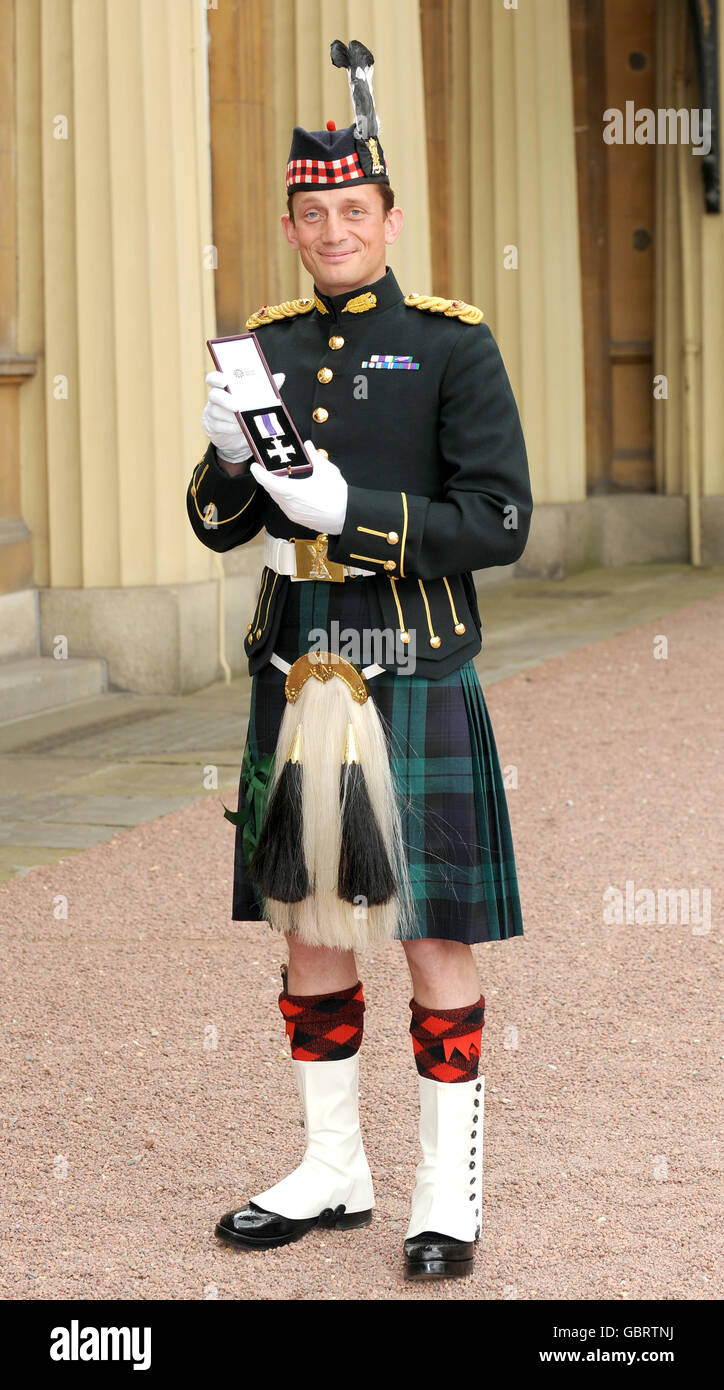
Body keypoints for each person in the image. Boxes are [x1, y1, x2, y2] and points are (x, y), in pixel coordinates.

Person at [187, 38, 532, 1281]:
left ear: (386, 218)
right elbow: (217, 522)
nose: (332, 228)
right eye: (311, 212)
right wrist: (229, 463)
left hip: (411, 659)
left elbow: (499, 521)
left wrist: (357, 513)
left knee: (432, 928)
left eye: (351, 208)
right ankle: (333, 1168)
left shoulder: (452, 346)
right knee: (307, 922)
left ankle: (447, 1191)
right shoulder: (268, 343)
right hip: (297, 663)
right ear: (291, 229)